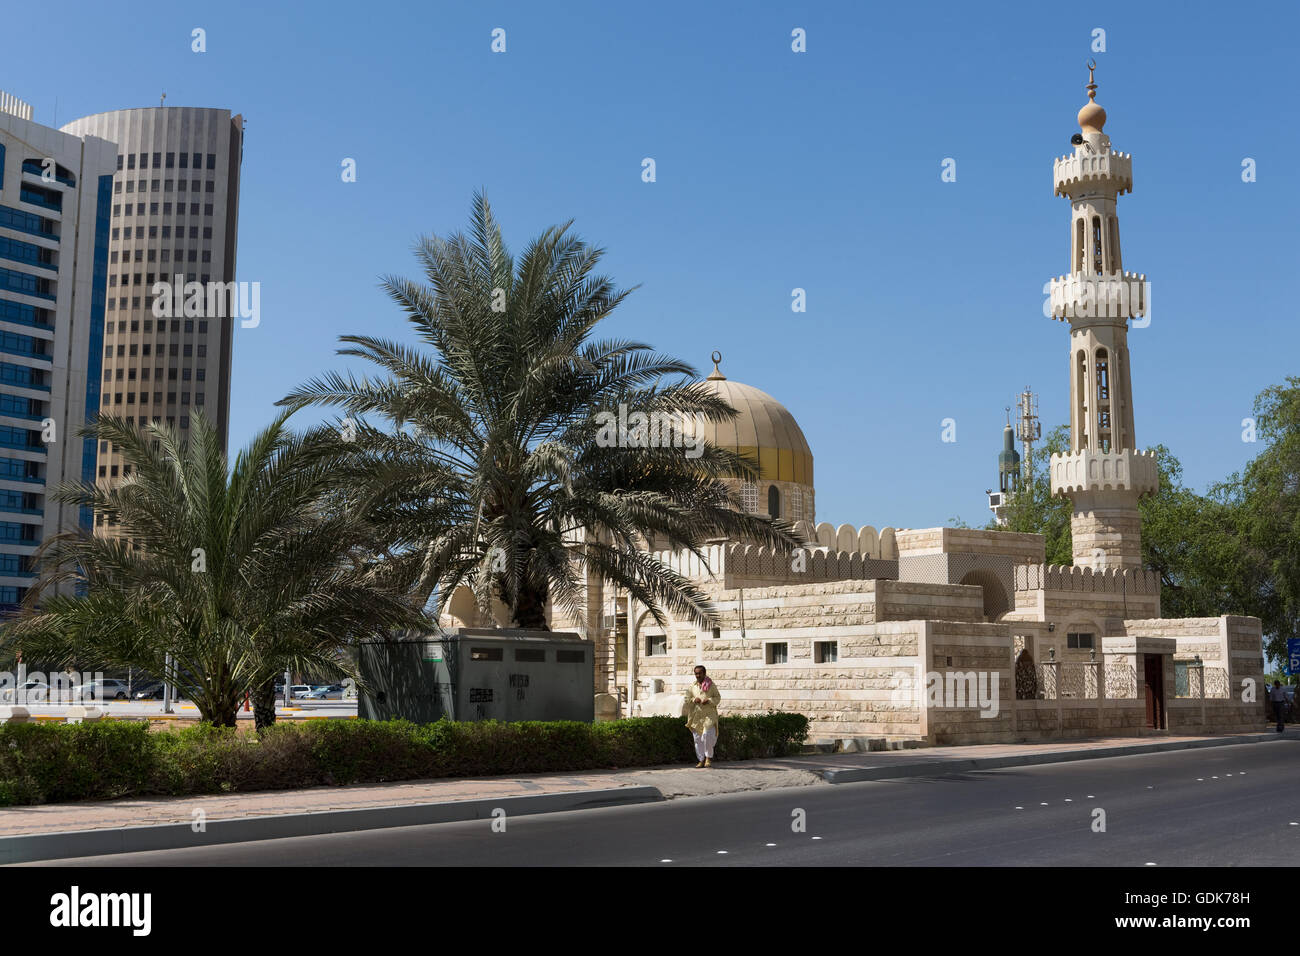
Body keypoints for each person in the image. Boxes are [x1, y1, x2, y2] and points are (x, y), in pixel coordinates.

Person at [684, 665, 721, 768]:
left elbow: (718, 697)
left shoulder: (711, 685)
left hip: (709, 715)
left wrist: (709, 700)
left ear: (704, 673)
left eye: (700, 673)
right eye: (696, 673)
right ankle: (701, 759)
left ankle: (708, 758)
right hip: (696, 716)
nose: (698, 675)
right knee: (697, 739)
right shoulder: (692, 686)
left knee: (707, 735)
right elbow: (687, 699)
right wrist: (693, 700)